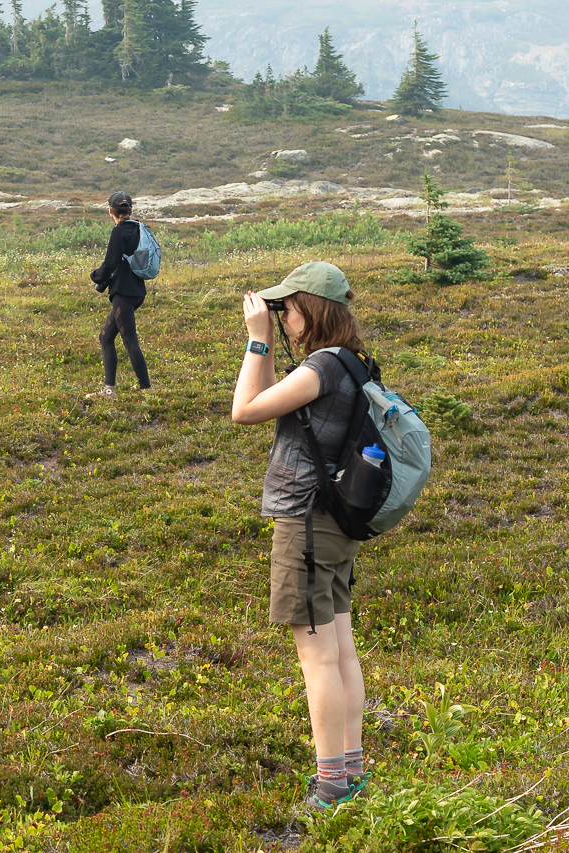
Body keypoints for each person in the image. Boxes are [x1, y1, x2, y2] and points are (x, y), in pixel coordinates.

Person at [231, 261, 369, 812]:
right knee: (339, 651)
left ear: (311, 307)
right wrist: (266, 349)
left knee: (318, 659)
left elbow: (243, 411)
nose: (281, 314)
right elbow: (269, 404)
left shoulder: (320, 368)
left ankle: (332, 784)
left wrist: (256, 342)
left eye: (287, 306)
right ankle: (351, 771)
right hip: (335, 523)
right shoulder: (352, 362)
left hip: (305, 522)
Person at [87, 191, 152, 399]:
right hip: (137, 290)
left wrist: (96, 276)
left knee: (130, 340)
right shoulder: (140, 229)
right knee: (105, 337)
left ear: (111, 211)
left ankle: (147, 390)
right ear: (130, 210)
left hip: (123, 292)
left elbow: (110, 264)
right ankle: (109, 389)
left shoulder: (118, 232)